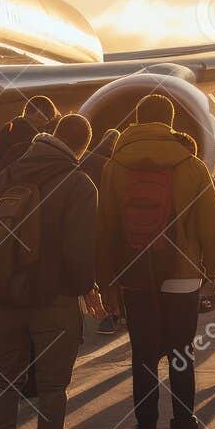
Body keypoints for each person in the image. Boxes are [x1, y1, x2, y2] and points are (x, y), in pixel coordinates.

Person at [0, 112, 104, 429]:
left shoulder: (8, 174)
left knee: (6, 382)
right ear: (82, 146)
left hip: (3, 297)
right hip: (53, 300)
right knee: (52, 390)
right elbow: (79, 248)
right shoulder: (79, 183)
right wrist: (88, 289)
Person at [96, 94, 215, 429]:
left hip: (135, 274)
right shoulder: (191, 164)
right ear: (170, 122)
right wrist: (212, 274)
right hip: (182, 274)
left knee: (143, 354)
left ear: (137, 119)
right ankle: (183, 426)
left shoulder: (115, 166)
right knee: (181, 352)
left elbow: (104, 228)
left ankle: (146, 428)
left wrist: (107, 282)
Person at [80, 128, 122, 333]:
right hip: (110, 225)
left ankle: (106, 314)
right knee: (115, 271)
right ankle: (115, 312)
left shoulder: (84, 162)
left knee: (101, 272)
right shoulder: (114, 165)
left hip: (88, 225)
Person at [0, 95, 58, 182]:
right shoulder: (26, 133)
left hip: (2, 182)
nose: (47, 121)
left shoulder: (13, 126)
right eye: (47, 116)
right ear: (38, 112)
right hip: (15, 184)